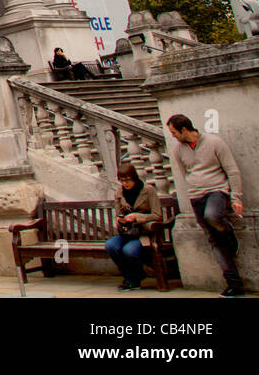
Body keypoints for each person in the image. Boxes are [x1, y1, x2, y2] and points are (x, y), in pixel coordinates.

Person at [166, 114, 246, 297]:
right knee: (214, 240)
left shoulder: (214, 142)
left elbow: (232, 170)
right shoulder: (178, 149)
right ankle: (234, 284)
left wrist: (236, 198)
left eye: (173, 132)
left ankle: (229, 232)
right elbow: (184, 172)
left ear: (184, 129)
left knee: (212, 216)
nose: (172, 136)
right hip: (196, 196)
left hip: (217, 190)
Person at [105, 162, 163, 291]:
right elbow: (118, 213)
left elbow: (158, 215)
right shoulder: (119, 192)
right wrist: (120, 220)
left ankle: (133, 279)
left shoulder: (148, 190)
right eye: (123, 181)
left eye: (128, 180)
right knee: (111, 245)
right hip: (127, 232)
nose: (126, 184)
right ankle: (132, 276)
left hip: (144, 233)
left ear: (135, 178)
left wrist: (137, 217)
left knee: (129, 251)